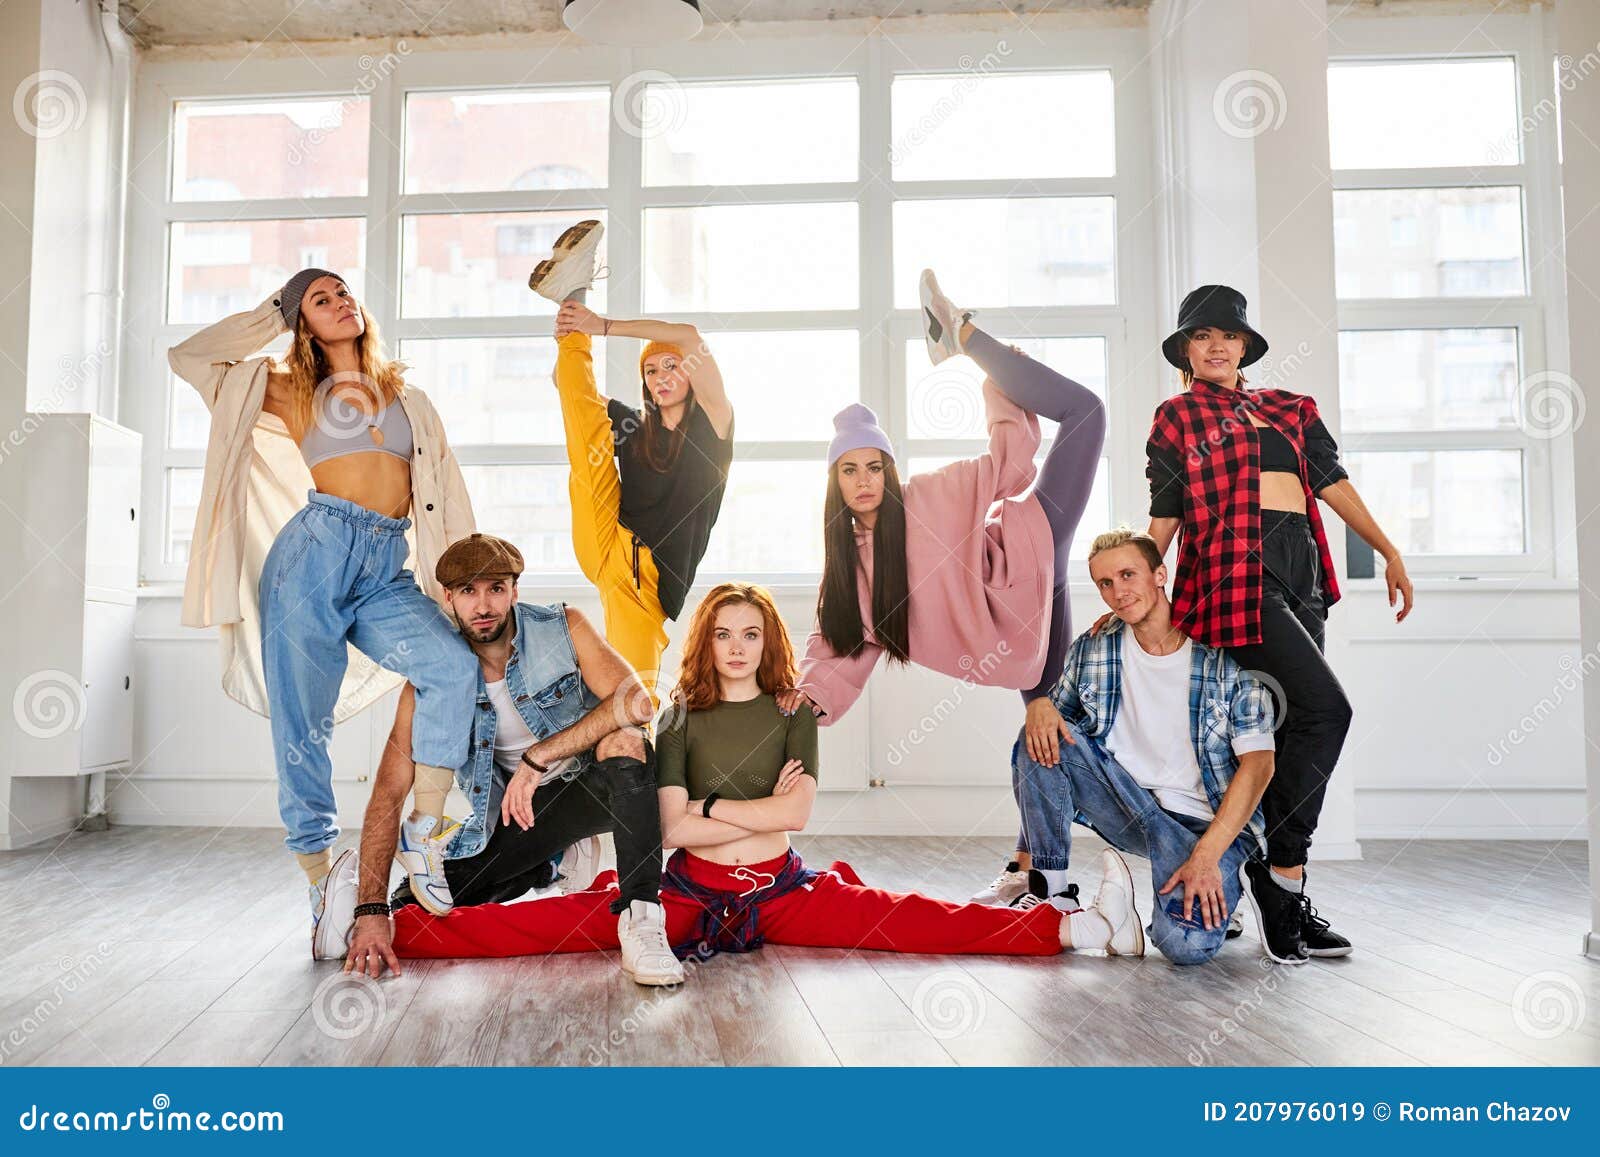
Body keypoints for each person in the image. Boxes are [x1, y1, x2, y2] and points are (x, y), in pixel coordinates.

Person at [315, 583, 1144, 972]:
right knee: (545, 927)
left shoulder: (795, 712)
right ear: (706, 643)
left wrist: (731, 813)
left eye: (752, 632)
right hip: (688, 895)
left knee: (910, 918)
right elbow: (672, 828)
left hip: (783, 888)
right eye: (724, 634)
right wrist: (747, 811)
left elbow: (802, 816)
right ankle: (380, 922)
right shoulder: (674, 721)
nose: (738, 646)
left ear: (767, 641)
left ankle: (1075, 928)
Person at [779, 271, 1106, 905]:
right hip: (1015, 622)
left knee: (1086, 410)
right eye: (850, 470)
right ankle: (962, 335)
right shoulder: (850, 571)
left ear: (889, 470)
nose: (865, 480)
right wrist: (803, 702)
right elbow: (840, 648)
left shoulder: (928, 494)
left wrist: (998, 390)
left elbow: (1007, 465)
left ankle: (1031, 870)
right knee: (1049, 721)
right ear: (835, 482)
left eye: (875, 466)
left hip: (1028, 551)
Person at [168, 270, 478, 923]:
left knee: (452, 665)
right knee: (303, 722)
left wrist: (463, 576)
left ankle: (423, 830)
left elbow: (444, 492)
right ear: (301, 323)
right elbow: (187, 357)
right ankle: (317, 873)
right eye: (320, 299)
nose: (340, 303)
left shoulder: (405, 395)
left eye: (343, 292)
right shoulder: (284, 388)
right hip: (312, 556)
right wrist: (271, 315)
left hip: (386, 563)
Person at [1137, 285, 1413, 960]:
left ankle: (1258, 878)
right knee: (1326, 710)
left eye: (1227, 335)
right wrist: (1136, 587)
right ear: (1185, 350)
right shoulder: (1177, 415)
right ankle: (1282, 877)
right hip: (1232, 579)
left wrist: (1388, 547)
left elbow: (1332, 481)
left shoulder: (1291, 409)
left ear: (1245, 345)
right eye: (1201, 336)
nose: (1216, 345)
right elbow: (1166, 511)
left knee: (1282, 734)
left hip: (1303, 575)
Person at [317, 532, 685, 986]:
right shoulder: (432, 681)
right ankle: (548, 861)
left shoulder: (562, 627)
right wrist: (369, 909)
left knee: (626, 741)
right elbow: (390, 789)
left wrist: (538, 758)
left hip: (589, 782)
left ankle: (642, 918)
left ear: (514, 590)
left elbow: (637, 701)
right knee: (414, 903)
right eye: (468, 591)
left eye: (495, 588)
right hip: (520, 814)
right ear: (448, 597)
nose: (483, 605)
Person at [1011, 527, 1285, 965]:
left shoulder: (1222, 654)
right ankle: (1054, 894)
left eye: (1127, 575)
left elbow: (1259, 766)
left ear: (1160, 574)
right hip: (1129, 806)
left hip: (1202, 826)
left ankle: (1230, 883)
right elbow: (1053, 744)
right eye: (1105, 583)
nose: (1118, 592)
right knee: (1037, 739)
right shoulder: (1094, 647)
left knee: (1185, 946)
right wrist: (1040, 704)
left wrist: (1207, 857)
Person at [527, 220, 734, 707]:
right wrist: (571, 327)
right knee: (586, 435)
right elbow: (568, 387)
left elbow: (686, 334)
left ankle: (631, 775)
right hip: (607, 534)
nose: (661, 376)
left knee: (633, 698)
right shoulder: (633, 426)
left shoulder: (714, 426)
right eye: (650, 369)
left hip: (645, 586)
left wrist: (600, 326)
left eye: (670, 367)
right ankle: (570, 290)